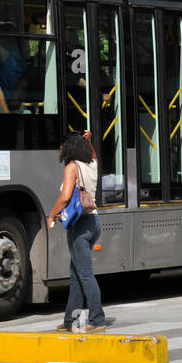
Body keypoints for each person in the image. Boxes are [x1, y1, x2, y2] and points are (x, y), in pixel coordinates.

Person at [47, 131, 106, 333]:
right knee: (76, 274)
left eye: (63, 146)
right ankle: (70, 320)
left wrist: (51, 215)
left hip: (79, 225)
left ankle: (97, 319)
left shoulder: (72, 167)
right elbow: (95, 156)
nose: (61, 150)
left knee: (85, 275)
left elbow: (64, 198)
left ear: (69, 148)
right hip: (94, 221)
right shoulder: (92, 164)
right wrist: (89, 142)